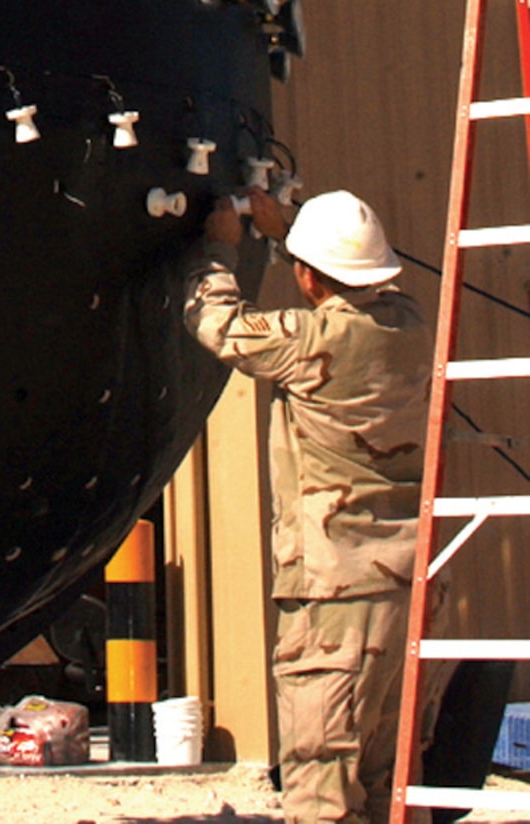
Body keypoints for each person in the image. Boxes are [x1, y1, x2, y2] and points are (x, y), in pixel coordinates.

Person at [183, 187, 432, 824]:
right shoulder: (410, 325)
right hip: (409, 581)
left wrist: (219, 249)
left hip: (335, 589)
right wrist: (287, 230)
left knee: (323, 774)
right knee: (390, 776)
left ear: (308, 277)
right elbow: (352, 287)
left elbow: (216, 322)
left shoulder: (309, 339)